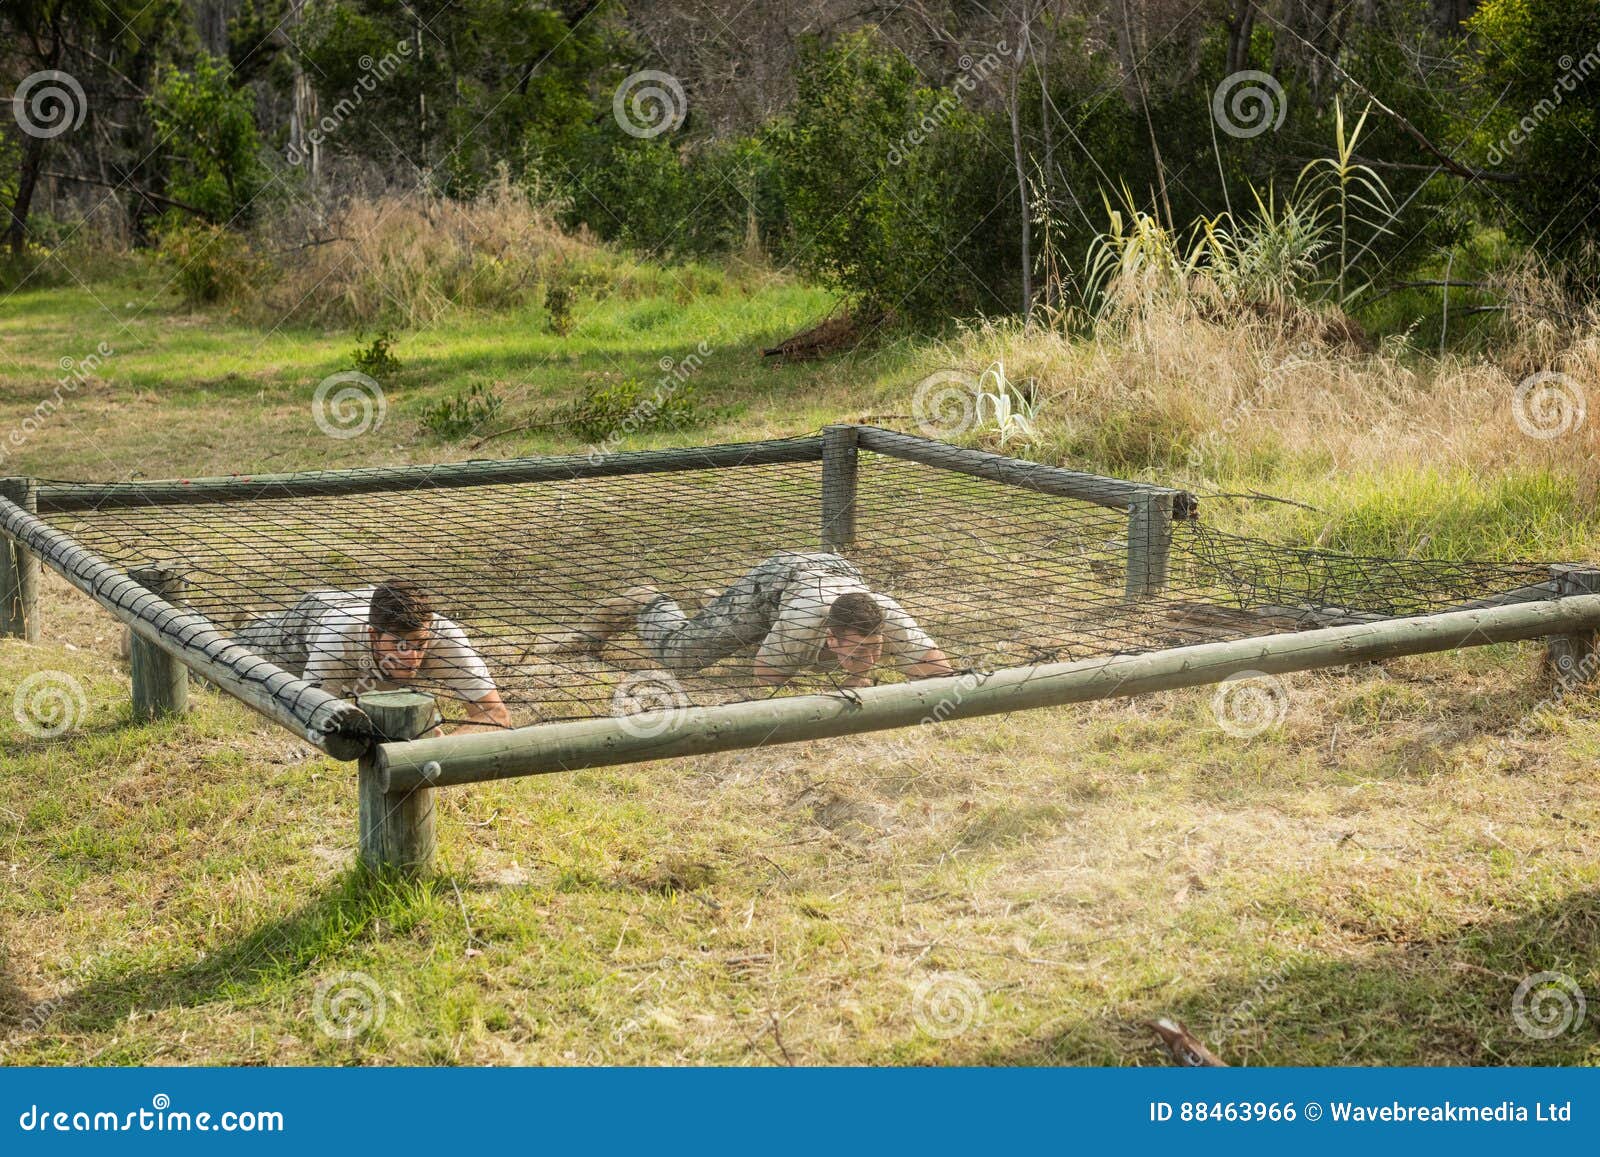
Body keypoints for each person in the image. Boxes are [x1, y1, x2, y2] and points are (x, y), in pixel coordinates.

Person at [566, 551, 952, 687]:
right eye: (860, 651)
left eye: (875, 648)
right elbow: (765, 681)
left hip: (835, 569)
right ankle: (646, 600)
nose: (872, 656)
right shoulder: (801, 625)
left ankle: (715, 604)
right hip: (776, 583)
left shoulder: (888, 616)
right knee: (680, 657)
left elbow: (939, 672)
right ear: (831, 639)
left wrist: (858, 674)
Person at [235, 580, 511, 730]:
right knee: (240, 657)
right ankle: (251, 623)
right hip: (312, 621)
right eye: (399, 645)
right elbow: (312, 721)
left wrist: (440, 750)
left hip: (366, 606)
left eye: (419, 645)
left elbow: (496, 715)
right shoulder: (337, 643)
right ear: (373, 637)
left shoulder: (444, 636)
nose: (411, 657)